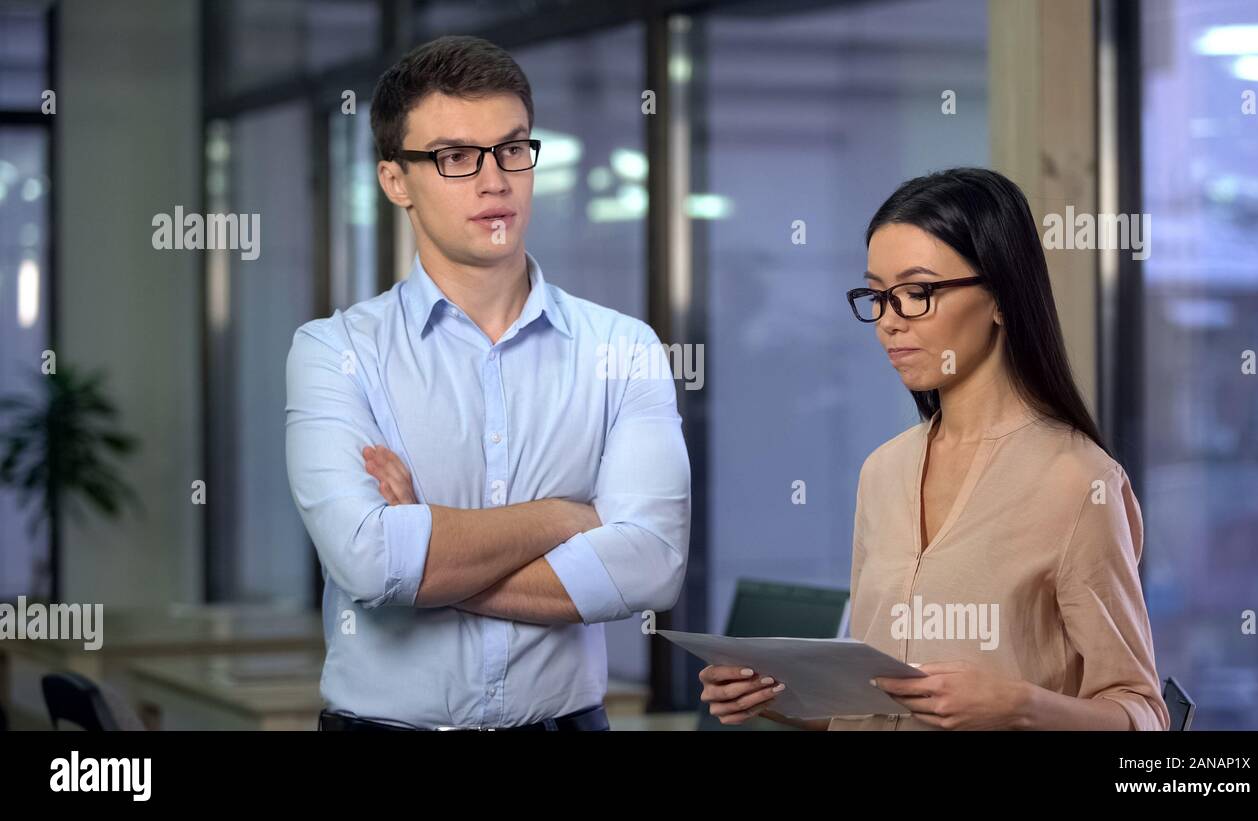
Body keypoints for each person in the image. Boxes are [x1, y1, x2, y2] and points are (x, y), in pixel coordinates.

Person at [286, 35, 690, 731]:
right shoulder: (334, 351)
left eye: (512, 148)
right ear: (394, 180)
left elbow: (651, 565)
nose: (494, 179)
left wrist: (431, 554)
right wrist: (567, 517)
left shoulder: (623, 348)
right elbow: (369, 561)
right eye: (454, 157)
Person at [699, 168, 1169, 731]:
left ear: (1000, 298)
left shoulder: (1079, 481)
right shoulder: (883, 470)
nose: (888, 325)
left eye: (917, 293)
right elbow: (872, 711)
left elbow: (1141, 716)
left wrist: (1017, 705)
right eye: (877, 297)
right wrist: (774, 697)